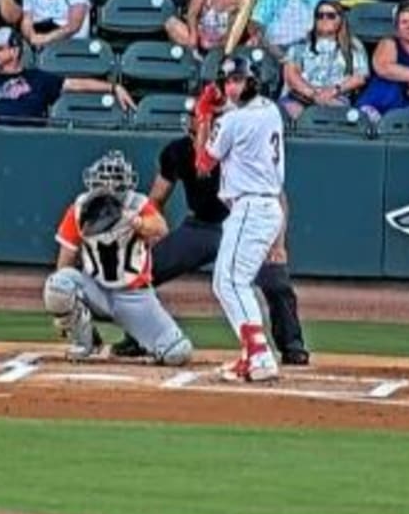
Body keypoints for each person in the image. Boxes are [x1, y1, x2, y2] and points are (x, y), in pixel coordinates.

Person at [109, 126, 309, 365]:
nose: (201, 138)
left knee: (275, 281)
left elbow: (276, 198)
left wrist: (278, 245)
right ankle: (139, 337)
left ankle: (292, 345)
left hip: (244, 226)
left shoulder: (243, 150)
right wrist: (151, 230)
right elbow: (157, 198)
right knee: (144, 271)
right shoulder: (177, 151)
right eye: (195, 131)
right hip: (201, 227)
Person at [42, 150, 194, 365]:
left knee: (177, 353)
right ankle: (86, 342)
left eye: (114, 181)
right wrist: (63, 312)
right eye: (104, 181)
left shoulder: (137, 204)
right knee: (58, 284)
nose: (108, 186)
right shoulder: (80, 208)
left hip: (134, 296)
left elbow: (161, 228)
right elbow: (65, 259)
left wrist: (137, 223)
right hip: (96, 290)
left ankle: (146, 339)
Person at [192, 55, 287, 382]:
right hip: (261, 208)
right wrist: (221, 109)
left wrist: (203, 117)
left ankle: (260, 355)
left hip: (251, 208)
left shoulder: (234, 121)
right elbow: (238, 116)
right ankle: (251, 352)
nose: (232, 87)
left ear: (253, 82)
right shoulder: (270, 109)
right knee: (227, 282)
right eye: (228, 81)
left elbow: (203, 164)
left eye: (238, 80)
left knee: (232, 282)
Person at [0, 27, 133, 125]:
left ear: (15, 51)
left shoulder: (38, 78)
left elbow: (76, 84)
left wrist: (113, 87)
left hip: (35, 143)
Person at [279, 0, 368, 120]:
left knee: (335, 114)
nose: (324, 19)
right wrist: (314, 94)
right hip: (300, 96)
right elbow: (291, 76)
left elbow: (359, 77)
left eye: (330, 15)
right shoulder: (301, 44)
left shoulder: (353, 45)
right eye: (320, 15)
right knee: (294, 114)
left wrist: (333, 91)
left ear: (341, 19)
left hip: (336, 96)